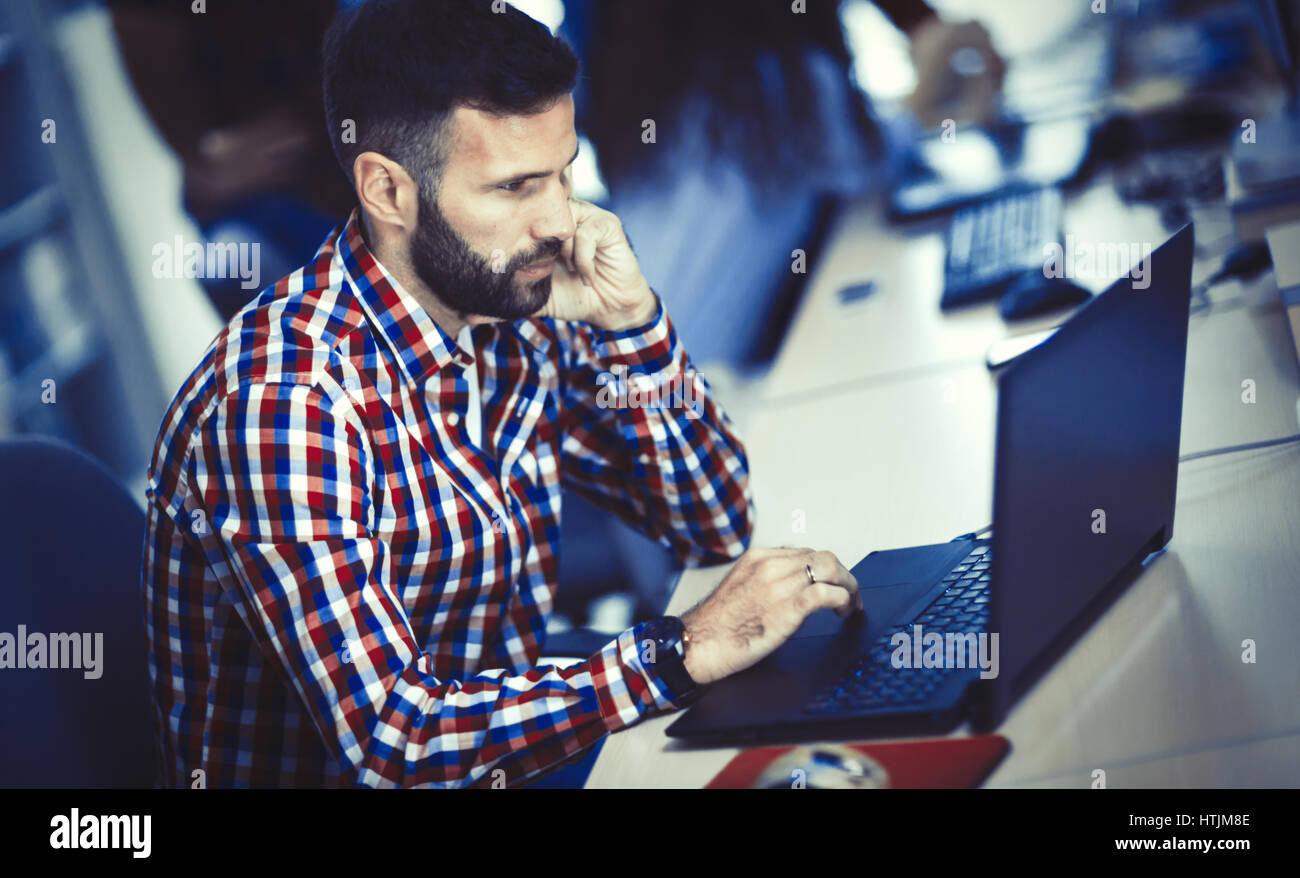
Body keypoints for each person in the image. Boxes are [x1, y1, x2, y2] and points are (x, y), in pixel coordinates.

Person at [141, 0, 861, 789]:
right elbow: (396, 745)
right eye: (515, 186)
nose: (559, 221)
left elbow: (711, 518)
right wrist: (675, 652)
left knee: (826, 730)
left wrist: (635, 325)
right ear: (387, 190)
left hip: (496, 749)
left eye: (564, 172)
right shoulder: (282, 404)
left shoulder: (512, 304)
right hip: (410, 769)